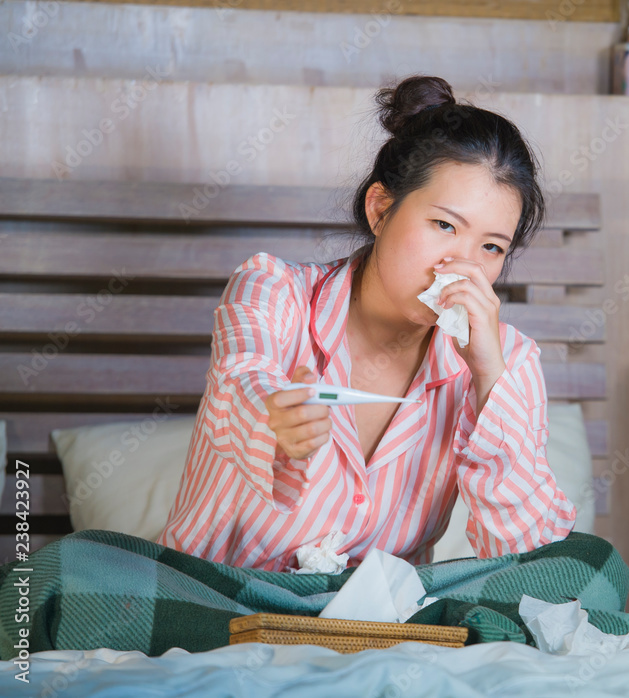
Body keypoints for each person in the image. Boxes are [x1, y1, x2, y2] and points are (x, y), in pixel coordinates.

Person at [156, 75, 577, 572]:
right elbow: (240, 385)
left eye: (491, 248)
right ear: (380, 209)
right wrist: (277, 419)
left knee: (593, 568)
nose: (461, 267)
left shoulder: (506, 359)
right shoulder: (273, 289)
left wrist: (489, 379)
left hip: (379, 633)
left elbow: (530, 562)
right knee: (80, 567)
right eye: (444, 225)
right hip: (222, 606)